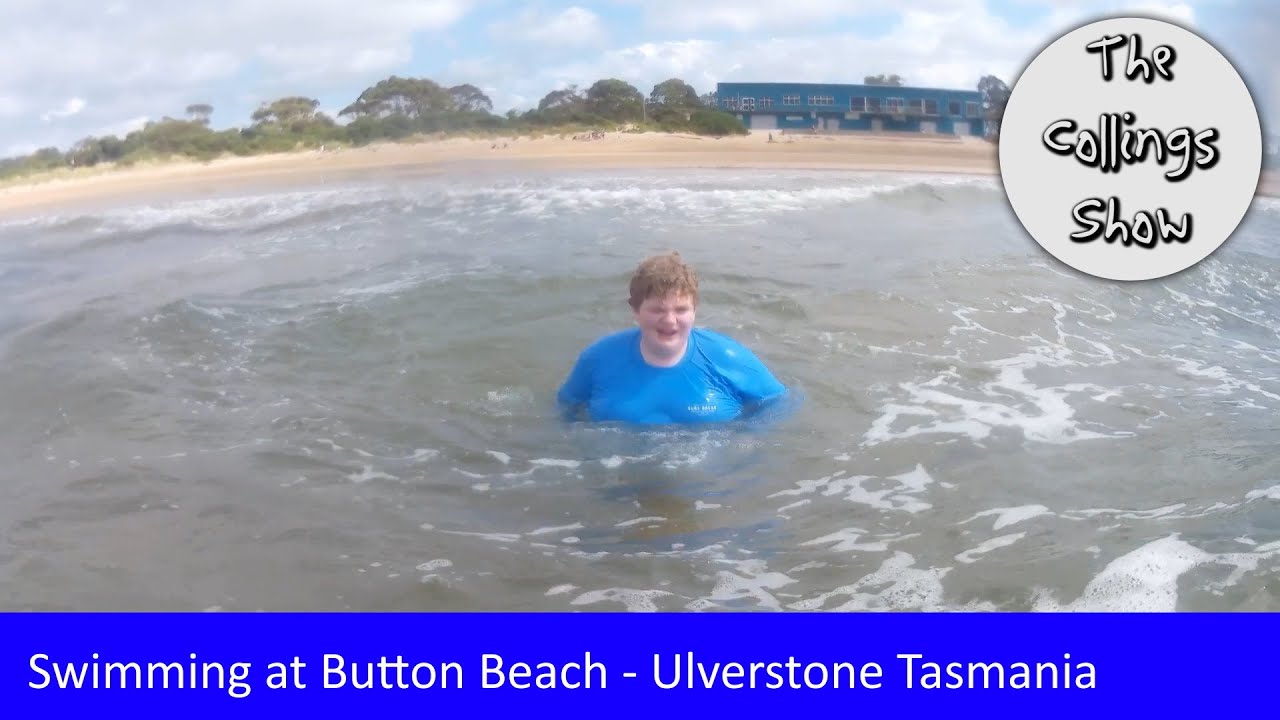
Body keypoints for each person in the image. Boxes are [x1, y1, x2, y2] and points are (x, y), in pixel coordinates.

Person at [557, 251, 788, 425]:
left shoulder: (728, 357)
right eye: (657, 310)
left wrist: (746, 444)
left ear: (695, 310)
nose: (669, 321)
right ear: (635, 310)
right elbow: (565, 412)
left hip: (710, 487)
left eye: (681, 310)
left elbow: (780, 404)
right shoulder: (598, 359)